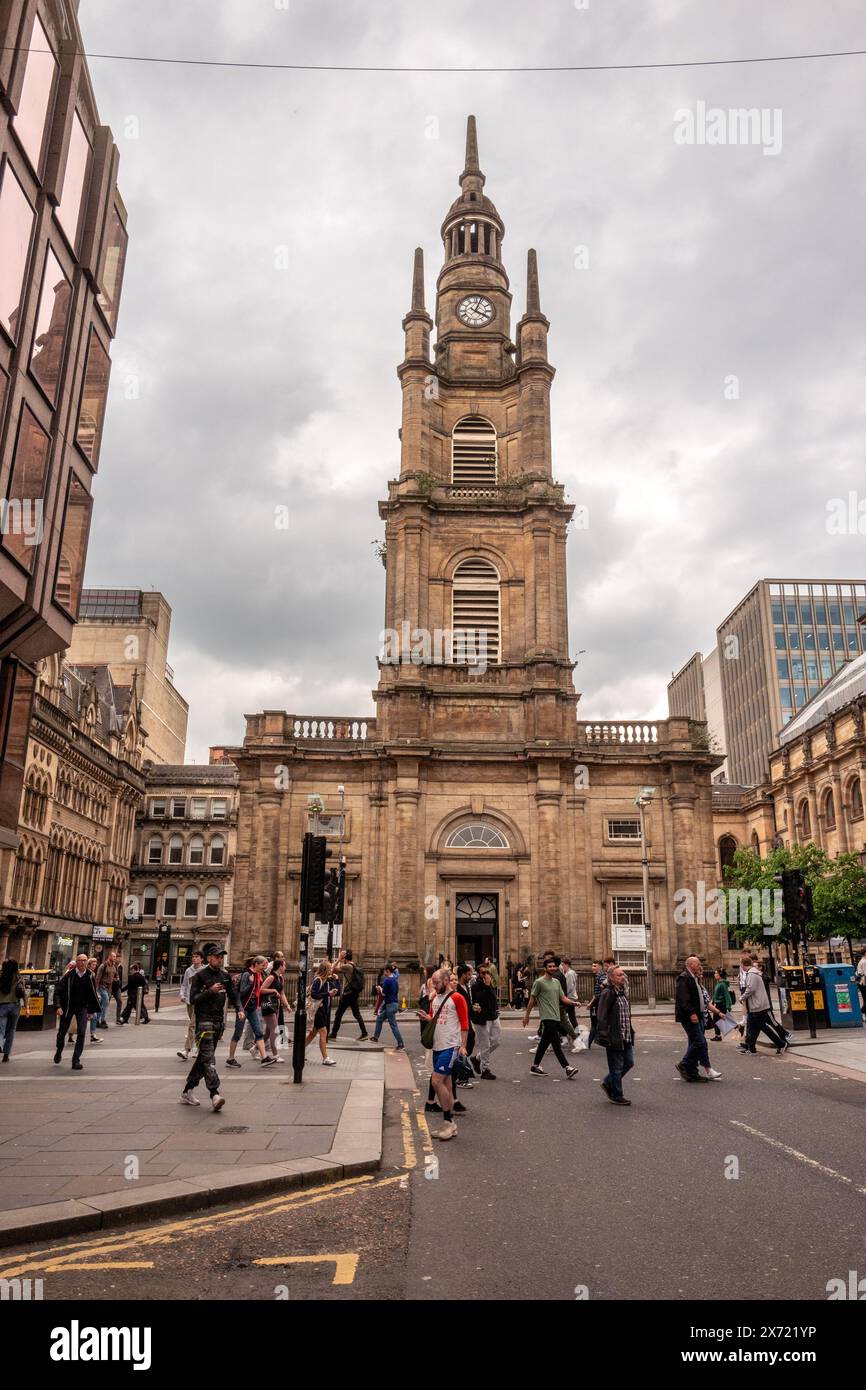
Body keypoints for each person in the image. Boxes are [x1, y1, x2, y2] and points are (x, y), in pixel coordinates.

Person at [181, 943, 240, 1111]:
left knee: (203, 1059)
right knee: (209, 1059)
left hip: (218, 1023)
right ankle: (215, 1094)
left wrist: (240, 1009)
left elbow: (234, 995)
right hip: (204, 1021)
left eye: (222, 957)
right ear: (209, 958)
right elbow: (193, 999)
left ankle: (187, 1091)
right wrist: (210, 991)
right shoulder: (200, 976)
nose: (220, 960)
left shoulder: (225, 975)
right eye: (217, 957)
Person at [417, 968, 469, 1141]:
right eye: (433, 982)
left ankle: (448, 1122)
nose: (434, 985)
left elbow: (464, 1023)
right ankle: (450, 1124)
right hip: (437, 1046)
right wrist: (427, 1018)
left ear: (446, 981)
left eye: (437, 982)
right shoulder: (436, 998)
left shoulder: (457, 998)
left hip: (451, 1045)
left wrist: (463, 1045)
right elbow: (436, 1018)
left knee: (436, 1080)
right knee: (445, 1082)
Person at [523, 957, 580, 1078]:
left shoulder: (556, 982)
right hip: (547, 1017)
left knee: (544, 1043)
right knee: (556, 1044)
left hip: (556, 1016)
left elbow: (563, 998)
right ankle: (567, 1068)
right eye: (550, 966)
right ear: (545, 968)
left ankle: (535, 1066)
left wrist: (573, 1003)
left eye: (554, 966)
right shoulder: (539, 982)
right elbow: (532, 1000)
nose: (552, 968)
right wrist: (526, 1015)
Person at [675, 955, 719, 1083]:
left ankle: (692, 1072)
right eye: (698, 964)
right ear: (691, 965)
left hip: (698, 1015)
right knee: (699, 1042)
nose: (700, 966)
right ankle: (684, 1064)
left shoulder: (693, 978)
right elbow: (684, 999)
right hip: (690, 1017)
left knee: (694, 1042)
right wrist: (691, 1013)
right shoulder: (684, 978)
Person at [595, 964, 635, 1105]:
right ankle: (617, 1094)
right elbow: (601, 1016)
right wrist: (604, 1035)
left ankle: (608, 1082)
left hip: (626, 1035)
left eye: (623, 974)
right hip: (614, 1035)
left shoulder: (622, 991)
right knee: (616, 1067)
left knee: (629, 1062)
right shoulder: (608, 993)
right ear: (611, 978)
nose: (623, 977)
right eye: (619, 975)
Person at [226, 956, 276, 1067]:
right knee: (237, 1033)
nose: (264, 967)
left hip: (252, 1008)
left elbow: (257, 991)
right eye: (263, 965)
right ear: (255, 964)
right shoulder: (247, 975)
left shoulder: (257, 975)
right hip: (243, 1008)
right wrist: (250, 984)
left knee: (258, 1032)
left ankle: (264, 1058)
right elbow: (242, 992)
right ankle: (230, 1058)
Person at [54, 952, 101, 1070]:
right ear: (76, 962)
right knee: (62, 1032)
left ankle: (76, 1060)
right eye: (80, 960)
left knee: (81, 1032)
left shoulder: (90, 975)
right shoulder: (69, 975)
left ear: (87, 962)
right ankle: (59, 1050)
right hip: (68, 1006)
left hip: (82, 1007)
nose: (82, 962)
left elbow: (93, 994)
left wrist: (91, 1011)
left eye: (85, 960)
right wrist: (58, 1006)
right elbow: (58, 991)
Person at [737, 953, 789, 1055]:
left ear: (743, 965)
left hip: (758, 1006)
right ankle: (751, 1048)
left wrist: (742, 998)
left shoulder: (752, 974)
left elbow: (750, 989)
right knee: (753, 1027)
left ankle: (781, 1043)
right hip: (756, 1006)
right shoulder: (753, 973)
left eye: (741, 965)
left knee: (762, 1027)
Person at [330, 949, 369, 1041]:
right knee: (357, 1014)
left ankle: (333, 1035)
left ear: (345, 957)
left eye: (343, 955)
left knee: (339, 1014)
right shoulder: (354, 965)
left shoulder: (347, 966)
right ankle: (364, 1034)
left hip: (348, 994)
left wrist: (339, 959)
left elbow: (332, 969)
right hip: (354, 993)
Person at [306, 960, 339, 1064]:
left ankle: (299, 1051)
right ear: (325, 970)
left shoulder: (328, 980)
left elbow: (337, 992)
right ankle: (325, 1058)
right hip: (318, 1011)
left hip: (324, 1011)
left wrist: (336, 981)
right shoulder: (318, 980)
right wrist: (327, 994)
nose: (331, 970)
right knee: (323, 1032)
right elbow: (314, 995)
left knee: (312, 1034)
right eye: (330, 968)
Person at [471, 963, 500, 1079]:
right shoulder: (475, 986)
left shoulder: (491, 984)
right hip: (482, 1019)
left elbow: (493, 999)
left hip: (493, 1016)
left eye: (488, 972)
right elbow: (478, 1000)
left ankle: (477, 1058)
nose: (486, 975)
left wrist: (496, 1009)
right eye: (483, 973)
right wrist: (487, 986)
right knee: (485, 1045)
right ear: (478, 974)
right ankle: (485, 1070)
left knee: (496, 1041)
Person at [260, 957, 291, 1061]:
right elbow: (261, 990)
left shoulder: (280, 978)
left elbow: (282, 994)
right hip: (268, 1005)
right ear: (280, 966)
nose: (286, 967)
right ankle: (275, 1055)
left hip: (275, 1006)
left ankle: (255, 1048)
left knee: (268, 1032)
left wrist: (287, 1005)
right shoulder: (271, 977)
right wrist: (273, 990)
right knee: (275, 1030)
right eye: (284, 965)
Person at [177, 950, 204, 1060]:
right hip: (189, 1001)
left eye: (197, 957)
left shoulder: (204, 970)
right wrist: (182, 995)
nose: (194, 958)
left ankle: (186, 1050)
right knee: (196, 1026)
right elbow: (184, 984)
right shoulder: (189, 970)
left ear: (202, 959)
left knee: (192, 1026)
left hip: (199, 1002)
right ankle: (200, 1049)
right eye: (193, 957)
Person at [0, 958, 28, 1063]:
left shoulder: (1, 976)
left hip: (2, 1006)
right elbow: (24, 993)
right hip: (15, 1006)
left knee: (0, 1029)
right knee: (11, 1030)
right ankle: (6, 1055)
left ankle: (0, 1044)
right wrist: (27, 1007)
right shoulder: (19, 977)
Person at [372, 963, 405, 1049]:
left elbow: (383, 994)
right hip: (394, 1004)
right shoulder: (395, 980)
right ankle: (375, 1037)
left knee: (393, 1025)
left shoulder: (387, 980)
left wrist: (380, 989)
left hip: (390, 1005)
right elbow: (395, 992)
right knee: (379, 1019)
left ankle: (401, 1044)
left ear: (387, 971)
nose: (383, 972)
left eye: (384, 971)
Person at [95, 952, 118, 1030]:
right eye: (113, 956)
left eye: (115, 956)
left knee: (103, 1004)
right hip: (102, 987)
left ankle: (97, 1020)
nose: (115, 958)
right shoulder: (103, 966)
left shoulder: (114, 966)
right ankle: (103, 1020)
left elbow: (115, 976)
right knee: (106, 1002)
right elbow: (98, 977)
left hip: (109, 988)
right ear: (109, 957)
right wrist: (96, 989)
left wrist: (116, 979)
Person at [587, 960, 607, 1050]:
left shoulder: (600, 977)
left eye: (595, 966)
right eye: (592, 966)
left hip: (598, 1003)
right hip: (597, 1002)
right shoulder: (598, 976)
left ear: (600, 967)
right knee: (596, 1023)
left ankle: (588, 1043)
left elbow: (600, 992)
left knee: (594, 1023)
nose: (593, 968)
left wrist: (591, 1003)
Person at [711, 968, 735, 1041]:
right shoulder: (718, 983)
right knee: (720, 1020)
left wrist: (728, 1006)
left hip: (721, 1004)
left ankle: (718, 1036)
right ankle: (718, 1036)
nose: (714, 975)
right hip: (718, 1004)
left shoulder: (723, 984)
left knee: (718, 1020)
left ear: (720, 975)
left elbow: (726, 995)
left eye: (716, 973)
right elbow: (715, 994)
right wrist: (712, 1002)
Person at [86, 958, 103, 1044]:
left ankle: (93, 1035)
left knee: (94, 1016)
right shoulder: (87, 973)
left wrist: (97, 994)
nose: (95, 966)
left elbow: (93, 987)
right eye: (93, 964)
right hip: (85, 1000)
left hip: (90, 999)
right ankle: (71, 1035)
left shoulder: (93, 973)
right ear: (88, 965)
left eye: (95, 964)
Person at [857, 948, 866, 1017]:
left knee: (865, 1000)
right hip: (864, 983)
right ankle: (859, 1012)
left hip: (862, 983)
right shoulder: (864, 962)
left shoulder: (862, 961)